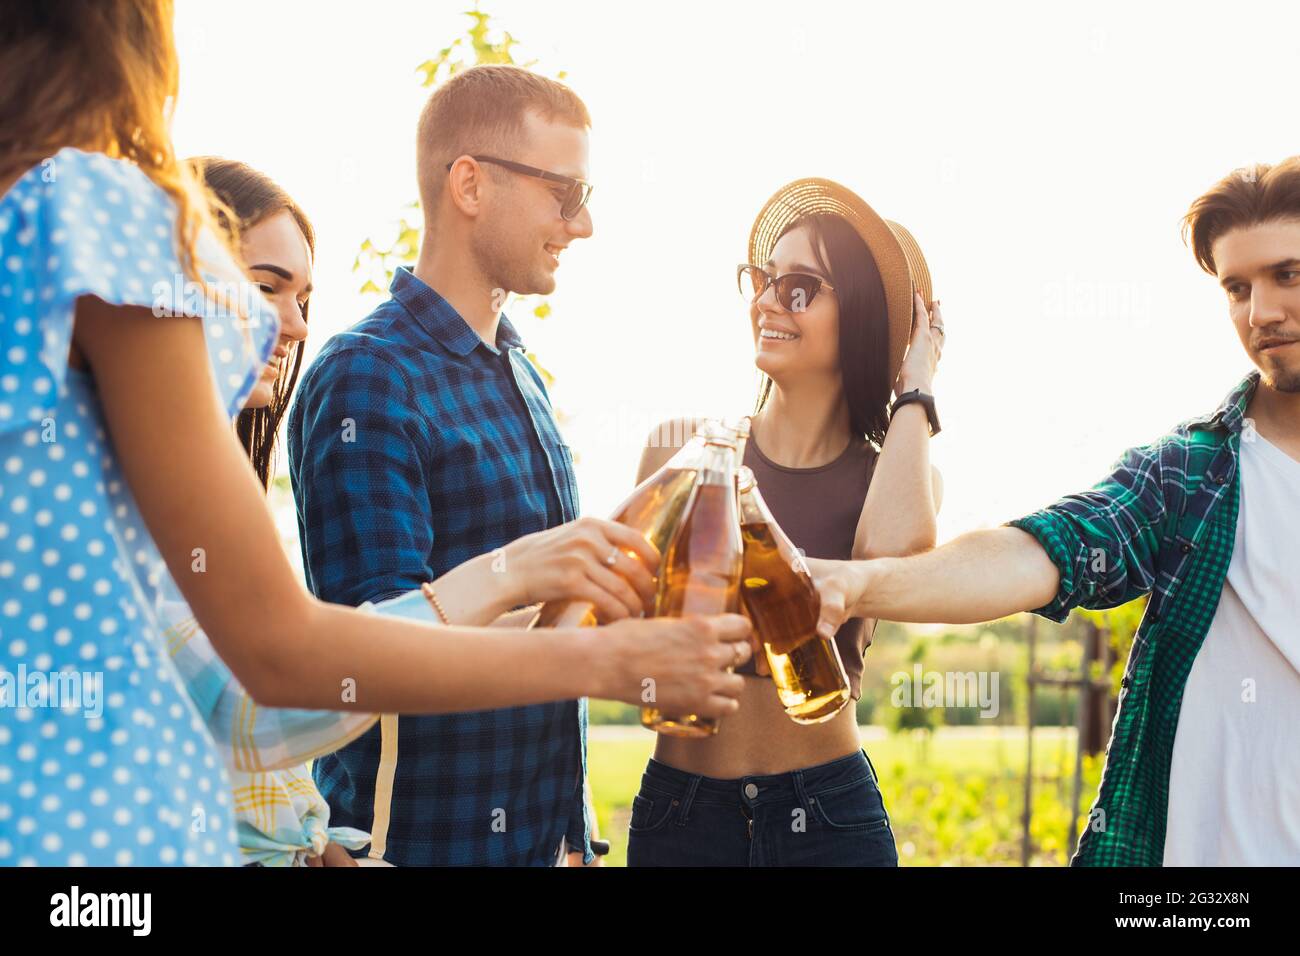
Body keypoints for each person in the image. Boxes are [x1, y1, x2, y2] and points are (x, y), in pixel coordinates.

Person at [0, 0, 751, 868]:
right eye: (253, 292)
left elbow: (228, 694)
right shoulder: (98, 220)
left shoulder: (525, 374)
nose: (277, 325)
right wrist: (602, 658)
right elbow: (282, 672)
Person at [810, 158, 1300, 866]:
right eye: (1238, 288)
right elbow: (1041, 551)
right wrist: (856, 583)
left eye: (1290, 274)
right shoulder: (1191, 476)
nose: (1261, 313)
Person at [289, 62, 660, 867]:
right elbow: (372, 664)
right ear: (469, 185)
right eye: (566, 195)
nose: (582, 225)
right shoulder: (367, 376)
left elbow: (544, 632)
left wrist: (573, 837)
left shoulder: (520, 371)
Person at [626, 178, 945, 866]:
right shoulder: (683, 450)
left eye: (799, 287)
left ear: (859, 317)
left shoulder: (895, 481)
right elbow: (618, 624)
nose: (767, 301)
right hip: (683, 814)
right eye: (763, 280)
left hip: (828, 815)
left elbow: (894, 563)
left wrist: (915, 384)